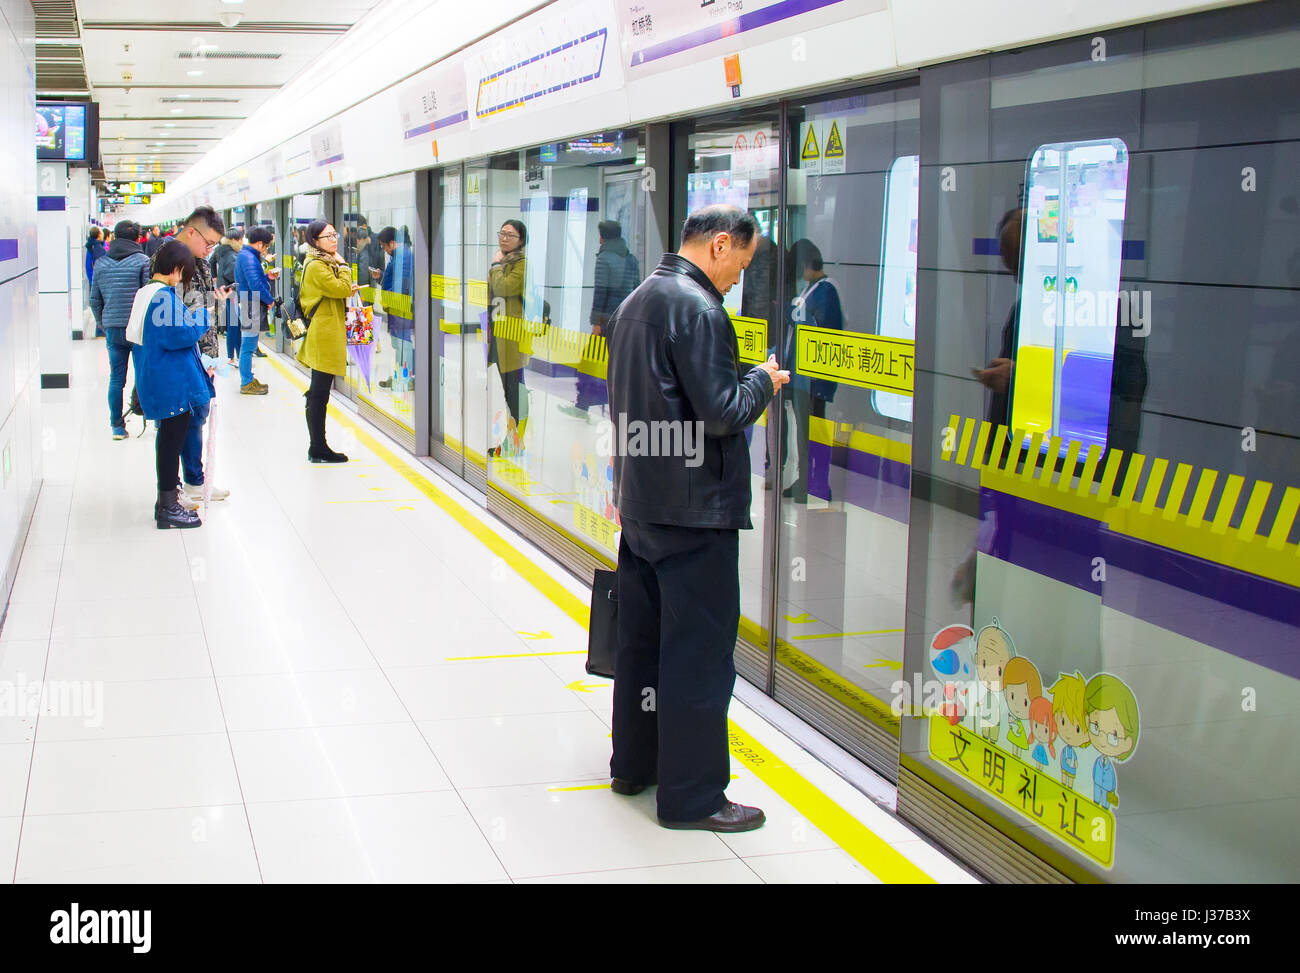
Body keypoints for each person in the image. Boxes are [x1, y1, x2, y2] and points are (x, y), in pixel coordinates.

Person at [605, 204, 790, 832]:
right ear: (718, 245)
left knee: (642, 646)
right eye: (742, 260)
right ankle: (693, 797)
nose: (740, 275)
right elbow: (720, 412)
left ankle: (634, 763)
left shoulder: (638, 302)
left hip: (643, 506)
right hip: (694, 515)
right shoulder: (702, 308)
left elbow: (667, 392)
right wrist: (763, 381)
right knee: (699, 657)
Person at [131, 240, 214, 529]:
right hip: (171, 382)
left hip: (156, 375)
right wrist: (204, 316)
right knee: (171, 443)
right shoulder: (163, 297)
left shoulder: (146, 293)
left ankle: (165, 501)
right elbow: (181, 336)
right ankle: (168, 507)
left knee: (167, 440)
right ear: (177, 269)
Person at [174, 206, 233, 506]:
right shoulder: (171, 261)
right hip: (186, 351)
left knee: (197, 415)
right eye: (208, 243)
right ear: (191, 231)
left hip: (204, 350)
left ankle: (195, 480)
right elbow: (173, 314)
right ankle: (185, 485)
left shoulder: (199, 260)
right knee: (183, 420)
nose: (210, 249)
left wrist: (216, 303)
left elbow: (201, 306)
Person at [778, 239, 843, 503]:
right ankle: (804, 477)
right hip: (802, 373)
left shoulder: (826, 291)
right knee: (803, 429)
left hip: (815, 376)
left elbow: (823, 333)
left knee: (814, 429)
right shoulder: (810, 289)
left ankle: (816, 480)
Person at [296, 220, 357, 463]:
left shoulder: (322, 262)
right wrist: (343, 266)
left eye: (335, 234)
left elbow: (337, 290)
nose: (334, 239)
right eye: (328, 236)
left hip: (327, 330)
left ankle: (318, 446)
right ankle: (318, 447)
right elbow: (340, 289)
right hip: (323, 334)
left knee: (319, 392)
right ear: (315, 241)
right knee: (319, 393)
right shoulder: (317, 266)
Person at [569, 220, 639, 417]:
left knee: (589, 361)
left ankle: (583, 404)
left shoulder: (605, 258)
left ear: (602, 236)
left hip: (606, 318)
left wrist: (597, 322)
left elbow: (601, 291)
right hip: (625, 318)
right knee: (617, 363)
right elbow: (637, 288)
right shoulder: (630, 258)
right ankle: (615, 404)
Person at [89, 219, 150, 440]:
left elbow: (94, 300)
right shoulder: (143, 261)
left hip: (113, 328)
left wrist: (103, 323)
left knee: (116, 378)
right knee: (144, 375)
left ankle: (117, 426)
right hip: (138, 328)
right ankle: (152, 418)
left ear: (114, 237)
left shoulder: (102, 263)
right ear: (137, 238)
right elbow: (148, 296)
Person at [487, 219, 529, 455]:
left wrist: (495, 266)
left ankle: (516, 440)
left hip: (513, 337)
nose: (503, 238)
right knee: (505, 389)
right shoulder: (505, 262)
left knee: (515, 389)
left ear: (521, 240)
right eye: (501, 233)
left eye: (510, 235)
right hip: (499, 333)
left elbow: (503, 288)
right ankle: (511, 438)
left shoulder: (521, 264)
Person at [234, 226, 275, 395]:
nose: (266, 250)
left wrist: (267, 277)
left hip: (249, 302)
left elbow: (255, 280)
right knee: (248, 346)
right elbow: (255, 285)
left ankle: (248, 378)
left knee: (249, 344)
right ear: (259, 244)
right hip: (251, 304)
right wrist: (270, 300)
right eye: (266, 246)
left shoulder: (246, 256)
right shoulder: (249, 258)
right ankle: (246, 382)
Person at [376, 226, 415, 391]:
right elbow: (395, 282)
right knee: (398, 343)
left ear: (392, 243)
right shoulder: (398, 256)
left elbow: (402, 286)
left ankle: (407, 377)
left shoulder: (404, 257)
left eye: (385, 246)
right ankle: (400, 374)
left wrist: (389, 300)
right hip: (396, 308)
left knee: (403, 343)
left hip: (401, 308)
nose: (385, 250)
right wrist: (382, 277)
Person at [210, 228, 244, 365]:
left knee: (232, 324)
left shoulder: (220, 250)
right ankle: (235, 356)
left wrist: (214, 276)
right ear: (234, 240)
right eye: (241, 239)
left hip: (223, 289)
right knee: (234, 325)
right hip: (231, 292)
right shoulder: (232, 255)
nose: (242, 242)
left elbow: (211, 262)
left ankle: (234, 355)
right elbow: (231, 275)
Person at [84, 227, 107, 337]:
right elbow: (102, 266)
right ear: (98, 235)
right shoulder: (98, 248)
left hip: (92, 279)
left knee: (96, 303)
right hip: (99, 281)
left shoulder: (90, 246)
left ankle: (99, 329)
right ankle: (100, 330)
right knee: (101, 305)